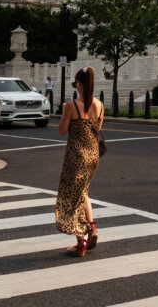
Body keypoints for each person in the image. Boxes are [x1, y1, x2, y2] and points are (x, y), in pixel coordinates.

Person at [55, 67, 104, 257]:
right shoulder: (99, 106)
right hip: (93, 156)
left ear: (80, 84)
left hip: (76, 157)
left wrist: (63, 112)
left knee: (73, 197)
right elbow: (97, 131)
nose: (75, 84)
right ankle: (91, 228)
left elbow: (61, 130)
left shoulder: (71, 106)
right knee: (83, 192)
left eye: (76, 81)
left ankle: (81, 242)